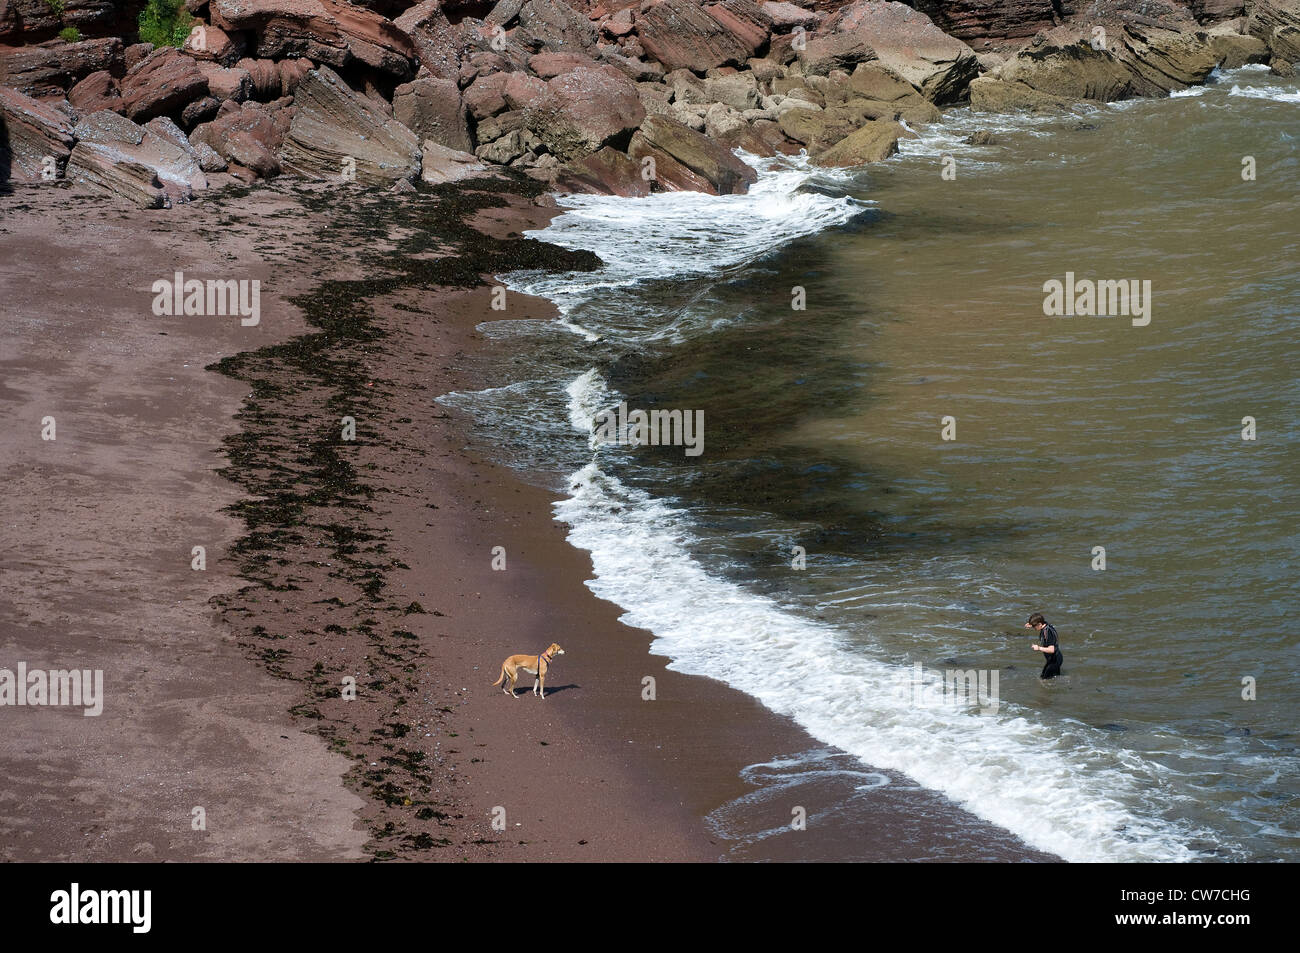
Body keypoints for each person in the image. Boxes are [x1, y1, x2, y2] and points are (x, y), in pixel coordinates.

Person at [1025, 612, 1063, 679]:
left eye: (1034, 626)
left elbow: (1051, 650)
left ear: (1040, 624)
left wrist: (1038, 648)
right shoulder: (1045, 624)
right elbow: (1040, 621)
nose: (1034, 628)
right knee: (1052, 677)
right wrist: (1031, 624)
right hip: (1053, 659)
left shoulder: (1047, 632)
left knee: (1044, 680)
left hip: (1054, 660)